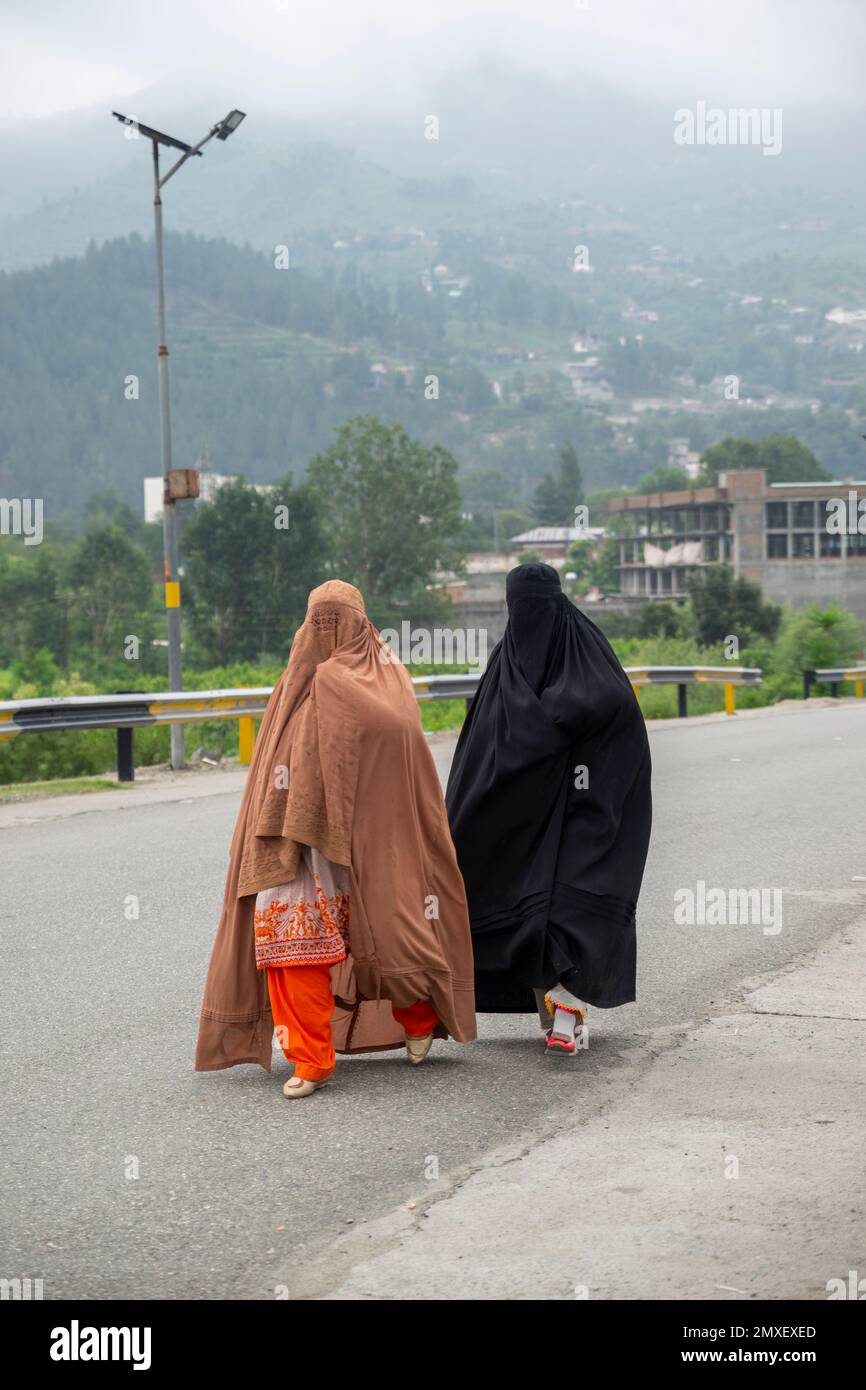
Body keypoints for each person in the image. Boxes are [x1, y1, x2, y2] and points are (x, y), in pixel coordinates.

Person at [195, 579, 476, 1096]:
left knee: (393, 931)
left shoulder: (385, 683)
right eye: (317, 620)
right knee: (289, 937)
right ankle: (311, 1056)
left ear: (359, 623)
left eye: (336, 620)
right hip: (290, 840)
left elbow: (399, 751)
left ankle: (418, 1020)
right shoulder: (296, 679)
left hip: (369, 838)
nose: (326, 631)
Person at [445, 562, 651, 1055]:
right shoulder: (506, 668)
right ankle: (557, 1011)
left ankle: (566, 1011)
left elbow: (620, 722)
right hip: (526, 819)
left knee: (568, 907)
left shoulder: (590, 666)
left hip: (587, 808)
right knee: (530, 908)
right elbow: (480, 755)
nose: (529, 620)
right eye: (521, 610)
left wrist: (563, 729)